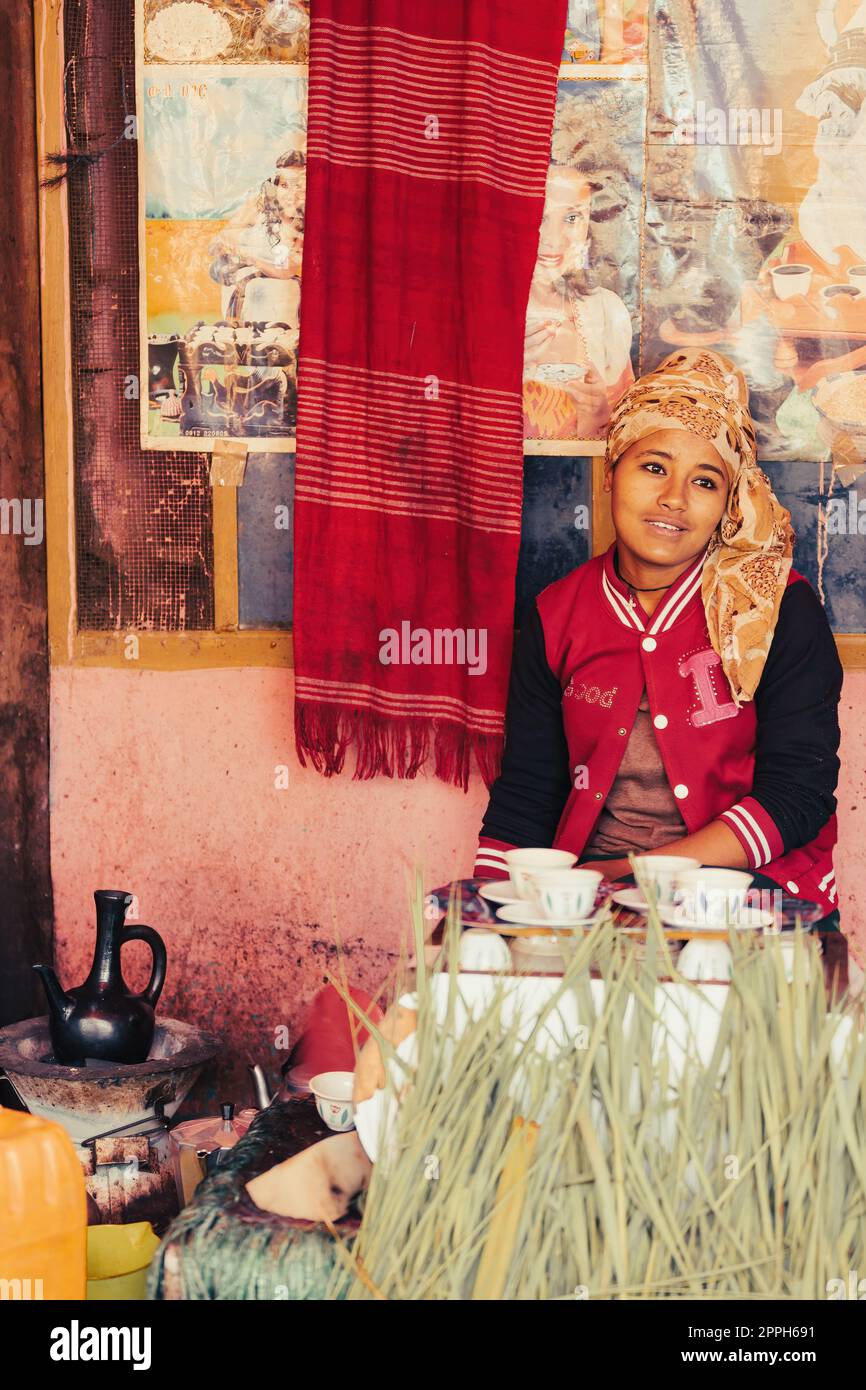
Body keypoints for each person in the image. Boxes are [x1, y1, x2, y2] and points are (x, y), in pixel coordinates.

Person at [476, 349, 844, 926]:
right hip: (593, 901)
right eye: (653, 467)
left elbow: (798, 795)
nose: (674, 497)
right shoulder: (555, 614)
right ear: (610, 471)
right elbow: (529, 791)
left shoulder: (777, 609)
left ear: (728, 503)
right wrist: (490, 914)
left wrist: (632, 877)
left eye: (705, 480)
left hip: (748, 897)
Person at [523, 165, 634, 441]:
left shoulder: (607, 312)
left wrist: (598, 416)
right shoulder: (476, 311)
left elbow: (627, 438)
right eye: (539, 215)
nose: (553, 239)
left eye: (572, 217)